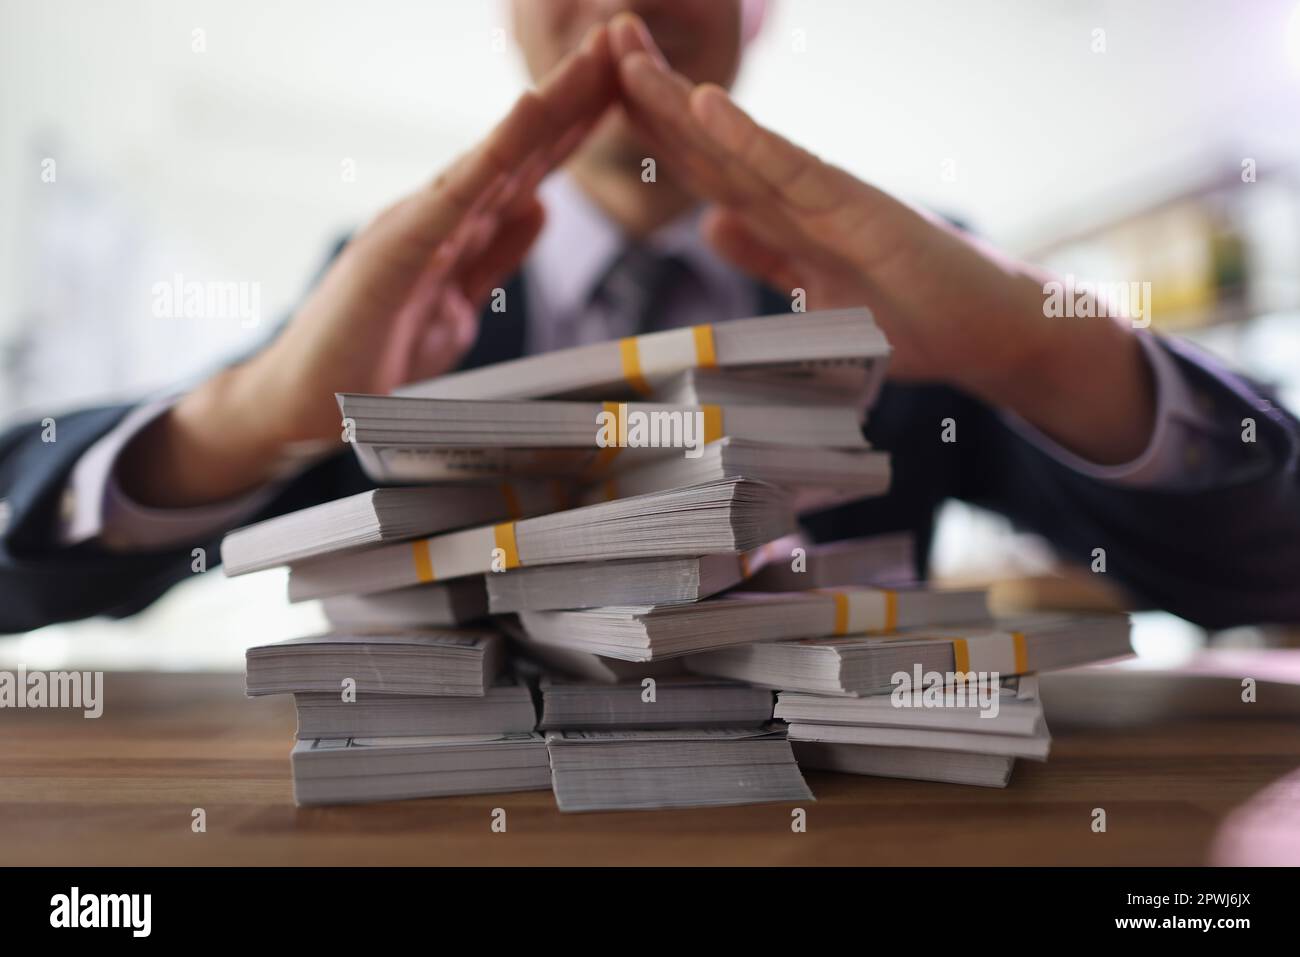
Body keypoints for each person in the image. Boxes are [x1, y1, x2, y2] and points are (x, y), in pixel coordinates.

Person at [1, 4, 1297, 634]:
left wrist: (1045, 350)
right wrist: (254, 414)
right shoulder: (384, 284)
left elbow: (1270, 568)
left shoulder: (918, 281)